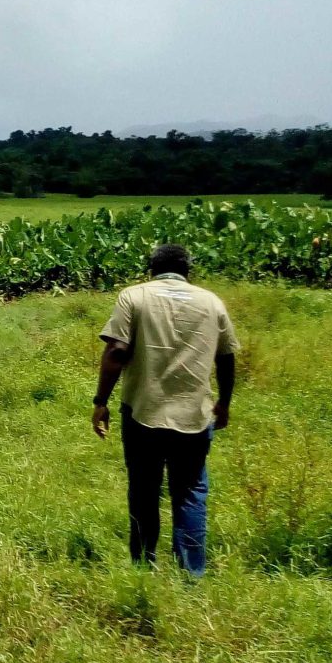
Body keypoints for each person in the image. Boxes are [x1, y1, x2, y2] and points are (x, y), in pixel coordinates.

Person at [94, 243, 238, 577]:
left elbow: (116, 352)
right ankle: (191, 576)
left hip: (143, 411)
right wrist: (224, 404)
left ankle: (144, 570)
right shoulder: (212, 302)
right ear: (189, 271)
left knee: (144, 490)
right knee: (189, 493)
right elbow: (227, 357)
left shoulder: (134, 297)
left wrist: (100, 402)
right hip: (195, 416)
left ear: (151, 269)